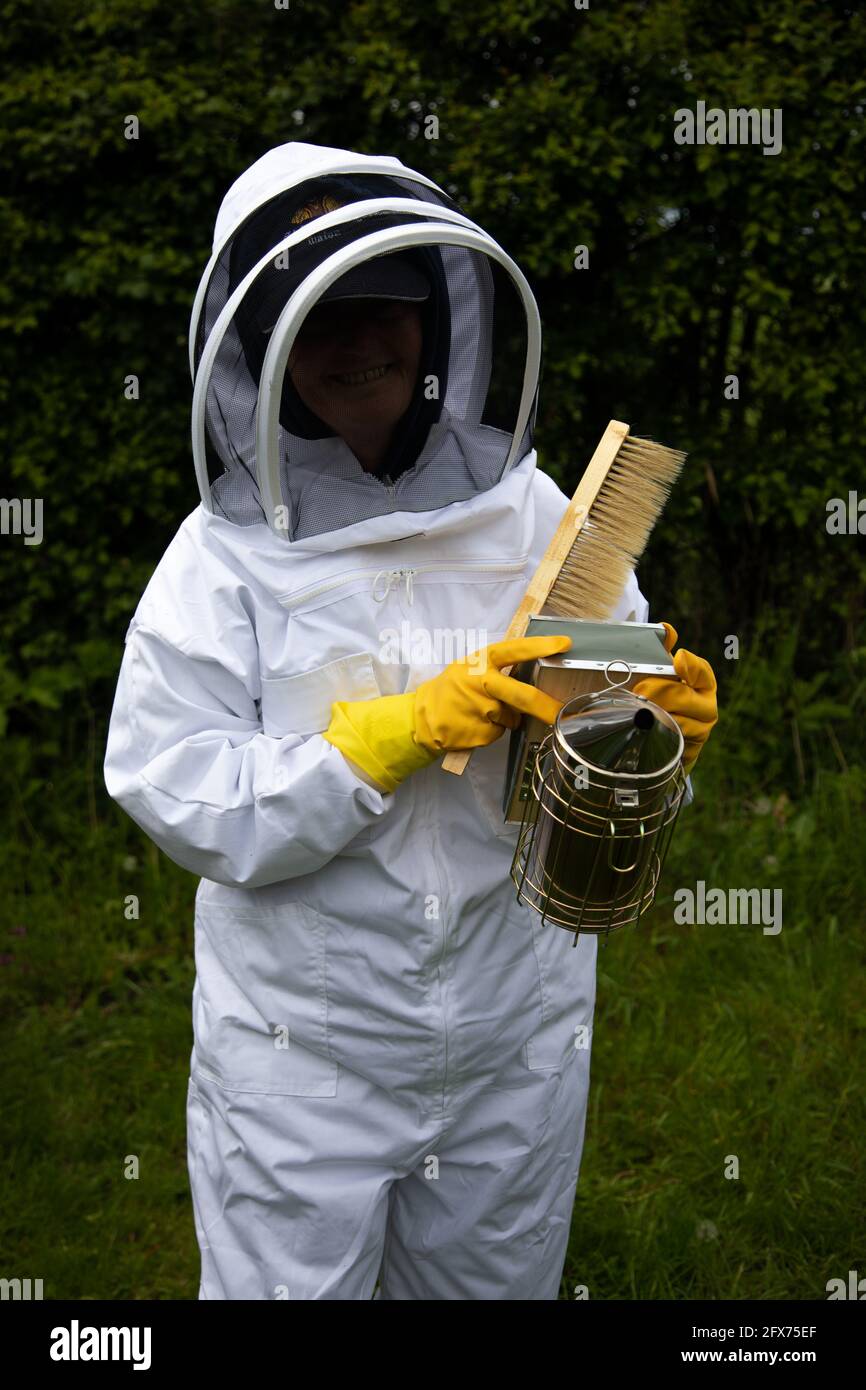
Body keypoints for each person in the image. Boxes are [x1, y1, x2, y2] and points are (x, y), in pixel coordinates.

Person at [104, 141, 718, 1300]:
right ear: (261, 347)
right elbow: (169, 782)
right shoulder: (224, 556)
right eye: (315, 319)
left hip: (514, 1030)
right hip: (304, 1056)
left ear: (440, 319)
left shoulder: (529, 511)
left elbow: (592, 728)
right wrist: (370, 744)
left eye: (379, 310)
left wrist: (654, 741)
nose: (353, 345)